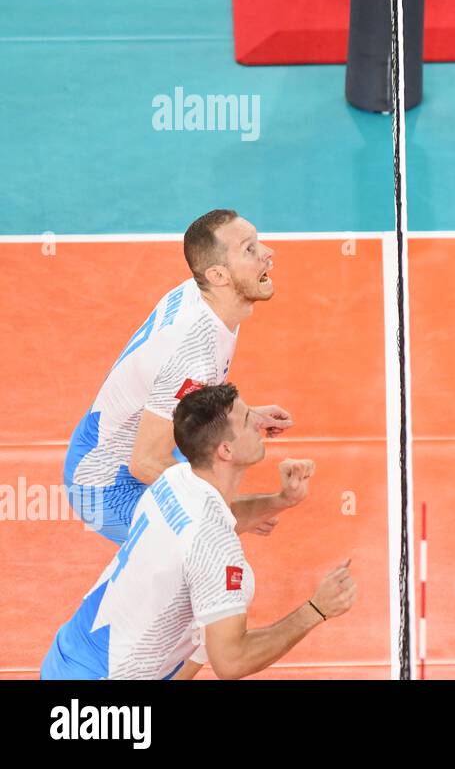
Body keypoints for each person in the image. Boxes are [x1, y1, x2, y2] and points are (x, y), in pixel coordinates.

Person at [41, 382, 354, 680]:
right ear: (226, 451)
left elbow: (208, 523)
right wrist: (316, 610)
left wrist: (281, 500)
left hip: (67, 655)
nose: (257, 425)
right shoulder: (213, 544)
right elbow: (231, 661)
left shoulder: (174, 480)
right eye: (248, 420)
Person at [65, 209, 294, 543]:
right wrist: (224, 507)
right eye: (249, 249)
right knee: (209, 537)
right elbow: (144, 463)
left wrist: (248, 415)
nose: (267, 253)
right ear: (218, 274)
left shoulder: (205, 295)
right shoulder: (192, 352)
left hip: (130, 437)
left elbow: (183, 393)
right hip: (107, 487)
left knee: (221, 498)